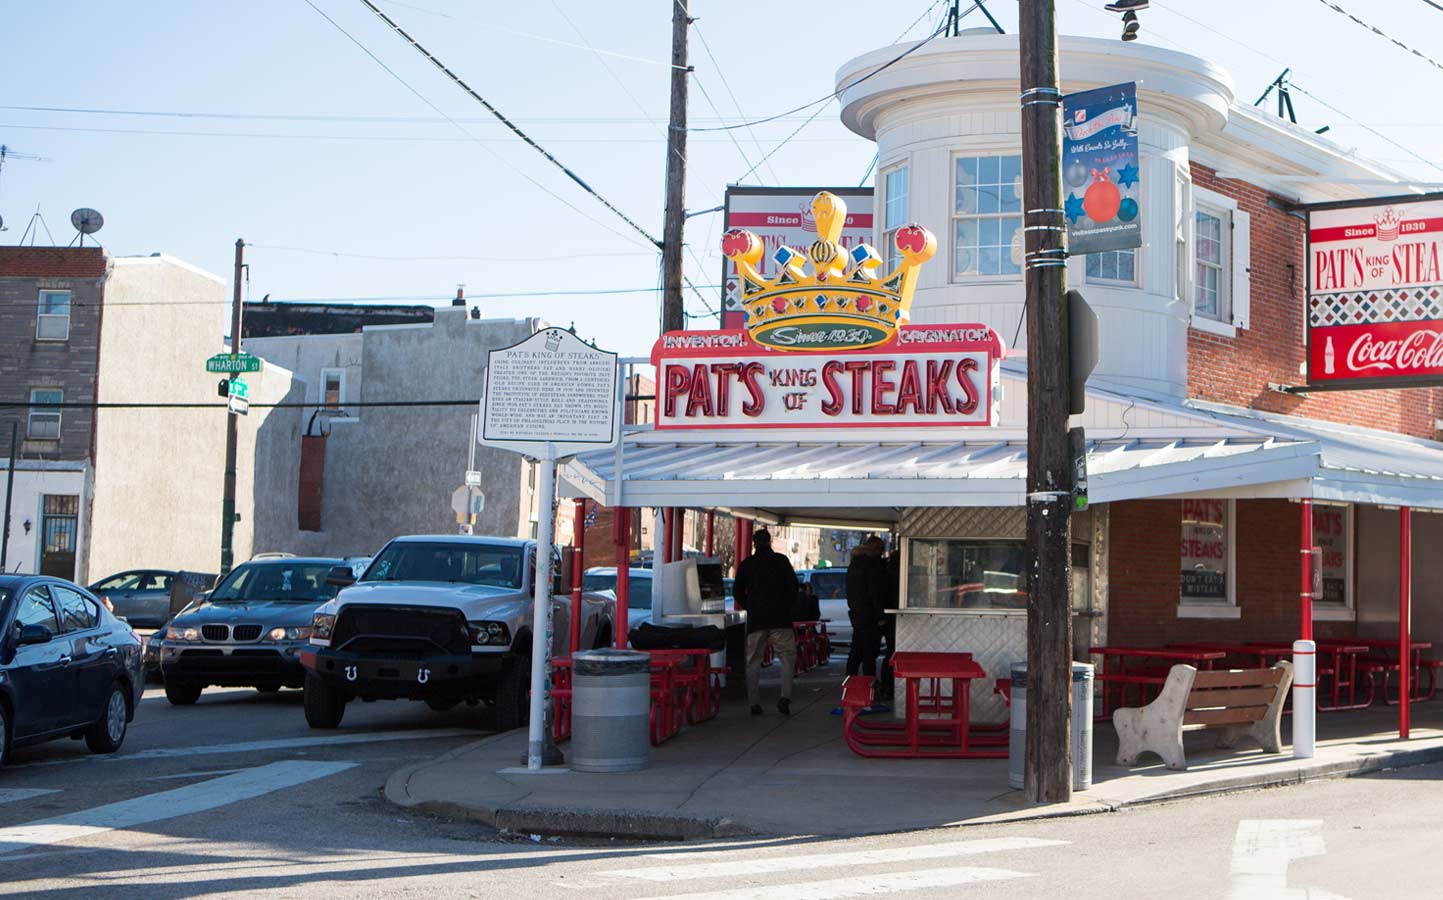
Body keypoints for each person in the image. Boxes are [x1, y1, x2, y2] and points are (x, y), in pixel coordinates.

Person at [733, 528, 800, 716]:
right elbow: (794, 588)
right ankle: (785, 697)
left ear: (754, 543)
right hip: (780, 618)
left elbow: (737, 591)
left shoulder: (747, 564)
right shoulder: (781, 561)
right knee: (787, 658)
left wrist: (751, 606)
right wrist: (786, 607)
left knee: (753, 661)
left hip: (756, 620)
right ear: (769, 542)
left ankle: (754, 703)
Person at [844, 536, 887, 682]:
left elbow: (850, 591)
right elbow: (875, 593)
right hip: (871, 616)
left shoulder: (854, 564)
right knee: (870, 654)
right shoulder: (872, 565)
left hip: (857, 614)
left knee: (855, 652)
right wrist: (881, 616)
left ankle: (850, 685)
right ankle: (869, 687)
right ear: (876, 550)